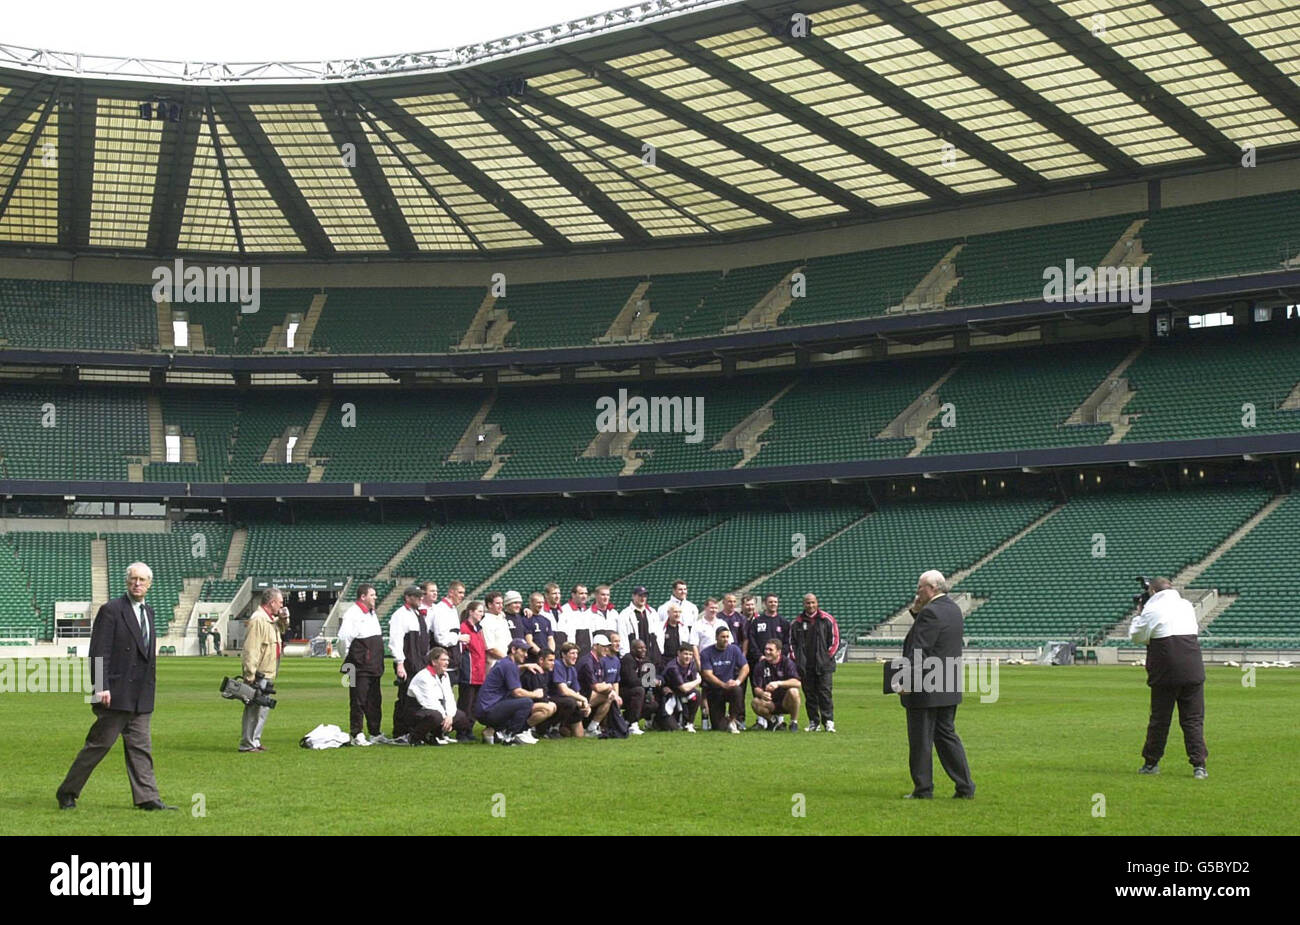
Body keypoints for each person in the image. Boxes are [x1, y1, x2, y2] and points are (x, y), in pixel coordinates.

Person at [57, 562, 176, 811]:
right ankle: (67, 792)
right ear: (126, 581)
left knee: (141, 748)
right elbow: (99, 651)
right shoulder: (111, 610)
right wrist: (101, 686)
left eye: (142, 580)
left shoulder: (149, 612)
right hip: (114, 694)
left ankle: (147, 798)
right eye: (133, 579)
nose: (137, 583)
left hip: (141, 696)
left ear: (149, 584)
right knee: (98, 746)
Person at [900, 570, 975, 799]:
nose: (917, 591)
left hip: (926, 686)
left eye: (920, 587)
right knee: (946, 735)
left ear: (932, 588)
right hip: (947, 684)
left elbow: (920, 649)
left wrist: (907, 679)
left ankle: (923, 789)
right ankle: (965, 786)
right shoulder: (952, 609)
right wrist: (916, 612)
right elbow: (933, 635)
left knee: (921, 739)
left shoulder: (931, 612)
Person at [1129, 577, 1208, 778]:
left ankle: (1151, 763)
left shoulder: (1152, 609)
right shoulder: (1186, 605)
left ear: (1153, 592)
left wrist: (1139, 613)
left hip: (1166, 670)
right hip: (1193, 667)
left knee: (1160, 719)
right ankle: (1199, 765)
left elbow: (1137, 636)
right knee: (1193, 719)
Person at [475, 640, 554, 745]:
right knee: (526, 702)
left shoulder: (506, 663)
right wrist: (535, 694)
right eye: (523, 651)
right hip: (488, 709)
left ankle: (494, 732)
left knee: (525, 703)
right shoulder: (508, 665)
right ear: (513, 650)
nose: (526, 655)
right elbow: (517, 693)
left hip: (487, 708)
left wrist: (524, 666)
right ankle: (510, 735)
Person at [239, 587, 288, 752]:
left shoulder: (270, 620)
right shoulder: (258, 620)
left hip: (267, 672)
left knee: (262, 708)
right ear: (272, 602)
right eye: (280, 603)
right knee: (254, 708)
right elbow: (251, 649)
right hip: (259, 673)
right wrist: (249, 673)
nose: (282, 606)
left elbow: (282, 631)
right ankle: (247, 743)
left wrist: (283, 619)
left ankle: (255, 740)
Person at [337, 583, 385, 747]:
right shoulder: (353, 614)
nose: (375, 597)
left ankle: (374, 732)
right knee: (358, 701)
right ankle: (357, 733)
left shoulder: (372, 614)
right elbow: (343, 639)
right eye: (372, 595)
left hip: (373, 666)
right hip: (359, 667)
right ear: (363, 597)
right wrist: (352, 658)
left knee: (374, 701)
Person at [790, 593, 840, 733]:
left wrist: (826, 657)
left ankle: (828, 721)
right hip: (806, 665)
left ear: (817, 603)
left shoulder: (827, 619)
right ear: (804, 604)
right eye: (808, 603)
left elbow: (835, 640)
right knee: (810, 694)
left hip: (824, 665)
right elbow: (791, 643)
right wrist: (798, 660)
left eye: (812, 602)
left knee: (825, 693)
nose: (810, 605)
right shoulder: (797, 622)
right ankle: (814, 722)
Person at [407, 647, 473, 745]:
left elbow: (449, 698)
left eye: (447, 660)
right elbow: (429, 703)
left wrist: (449, 716)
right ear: (434, 662)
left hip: (437, 709)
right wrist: (445, 717)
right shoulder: (423, 677)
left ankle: (436, 735)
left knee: (461, 718)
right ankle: (415, 736)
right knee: (436, 717)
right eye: (443, 660)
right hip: (418, 710)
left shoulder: (445, 676)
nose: (447, 663)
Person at [699, 627, 749, 732]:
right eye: (722, 637)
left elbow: (745, 667)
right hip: (714, 690)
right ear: (716, 638)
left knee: (738, 690)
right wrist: (722, 684)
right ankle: (725, 721)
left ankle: (733, 720)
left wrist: (737, 681)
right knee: (718, 727)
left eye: (727, 636)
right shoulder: (706, 653)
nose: (725, 639)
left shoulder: (734, 649)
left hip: (730, 687)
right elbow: (707, 674)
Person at [751, 640, 801, 731]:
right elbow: (756, 688)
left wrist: (778, 683)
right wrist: (762, 694)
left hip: (786, 702)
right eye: (766, 649)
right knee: (755, 702)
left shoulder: (787, 663)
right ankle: (773, 721)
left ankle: (794, 722)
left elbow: (797, 683)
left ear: (778, 652)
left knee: (794, 691)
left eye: (770, 650)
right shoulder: (760, 665)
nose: (767, 652)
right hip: (771, 703)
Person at [577, 633, 620, 736]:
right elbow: (596, 687)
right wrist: (609, 687)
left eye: (607, 646)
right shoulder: (588, 662)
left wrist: (609, 689)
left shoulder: (599, 661)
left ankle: (592, 728)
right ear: (595, 646)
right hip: (579, 696)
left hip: (587, 695)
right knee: (609, 694)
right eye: (603, 646)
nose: (606, 649)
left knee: (610, 695)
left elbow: (600, 684)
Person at [745, 593, 786, 696]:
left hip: (777, 663)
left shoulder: (783, 622)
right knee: (759, 690)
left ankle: (778, 711)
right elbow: (752, 641)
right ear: (765, 604)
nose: (773, 604)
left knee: (777, 690)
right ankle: (761, 712)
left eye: (775, 602)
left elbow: (787, 642)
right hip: (760, 662)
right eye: (770, 602)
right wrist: (760, 656)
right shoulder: (757, 622)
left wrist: (779, 657)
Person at [430, 581, 470, 685]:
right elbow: (440, 638)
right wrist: (458, 638)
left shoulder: (452, 609)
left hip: (452, 661)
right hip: (444, 661)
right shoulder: (441, 610)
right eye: (460, 592)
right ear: (451, 592)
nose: (462, 596)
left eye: (463, 593)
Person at [550, 642, 593, 737]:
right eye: (572, 653)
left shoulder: (572, 669)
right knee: (570, 702)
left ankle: (569, 730)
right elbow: (564, 691)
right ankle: (554, 727)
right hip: (552, 698)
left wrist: (584, 705)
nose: (575, 656)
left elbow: (576, 691)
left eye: (576, 653)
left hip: (566, 701)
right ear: (563, 654)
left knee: (579, 736)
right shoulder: (557, 665)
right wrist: (583, 699)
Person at [458, 600, 488, 733]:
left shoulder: (478, 629)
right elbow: (462, 651)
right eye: (480, 611)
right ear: (471, 612)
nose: (482, 614)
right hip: (469, 673)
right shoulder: (464, 628)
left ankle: (468, 728)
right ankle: (462, 730)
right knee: (466, 703)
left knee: (475, 704)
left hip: (479, 672)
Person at [657, 644, 702, 732]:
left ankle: (689, 723)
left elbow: (689, 687)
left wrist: (691, 684)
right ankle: (656, 720)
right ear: (679, 653)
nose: (688, 657)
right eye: (685, 654)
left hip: (679, 693)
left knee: (696, 694)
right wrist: (698, 681)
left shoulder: (692, 665)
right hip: (667, 697)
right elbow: (684, 688)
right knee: (672, 728)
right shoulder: (673, 667)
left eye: (690, 654)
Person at [620, 638, 658, 730]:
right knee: (639, 690)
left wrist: (659, 682)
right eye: (640, 648)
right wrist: (649, 682)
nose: (643, 650)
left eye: (644, 647)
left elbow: (653, 677)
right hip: (624, 692)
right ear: (633, 649)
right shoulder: (627, 659)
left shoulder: (646, 660)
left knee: (653, 705)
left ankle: (626, 720)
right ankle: (633, 724)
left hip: (640, 692)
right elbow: (632, 681)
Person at [617, 585, 659, 663]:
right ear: (633, 596)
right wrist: (625, 656)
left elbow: (658, 635)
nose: (643, 598)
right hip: (633, 657)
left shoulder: (652, 612)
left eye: (645, 596)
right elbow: (622, 636)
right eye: (640, 595)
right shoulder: (625, 614)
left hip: (650, 656)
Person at [557, 584, 591, 655]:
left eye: (586, 593)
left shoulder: (587, 611)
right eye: (581, 593)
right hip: (572, 651)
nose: (584, 596)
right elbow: (563, 633)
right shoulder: (564, 611)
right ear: (573, 595)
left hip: (586, 651)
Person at [481, 591, 512, 669]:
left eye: (502, 603)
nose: (501, 606)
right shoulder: (486, 622)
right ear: (489, 605)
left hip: (507, 662)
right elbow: (491, 649)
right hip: (495, 665)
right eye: (498, 603)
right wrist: (508, 659)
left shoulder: (502, 619)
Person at [523, 592, 555, 657]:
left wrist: (550, 653)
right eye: (538, 602)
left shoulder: (546, 620)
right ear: (531, 603)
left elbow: (550, 639)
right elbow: (529, 641)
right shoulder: (526, 619)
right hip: (533, 658)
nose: (541, 605)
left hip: (545, 658)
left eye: (542, 602)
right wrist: (542, 655)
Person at [719, 593, 746, 659]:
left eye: (734, 601)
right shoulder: (718, 617)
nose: (732, 604)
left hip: (736, 651)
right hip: (720, 651)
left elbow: (745, 638)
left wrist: (744, 653)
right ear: (723, 602)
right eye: (730, 601)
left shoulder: (741, 618)